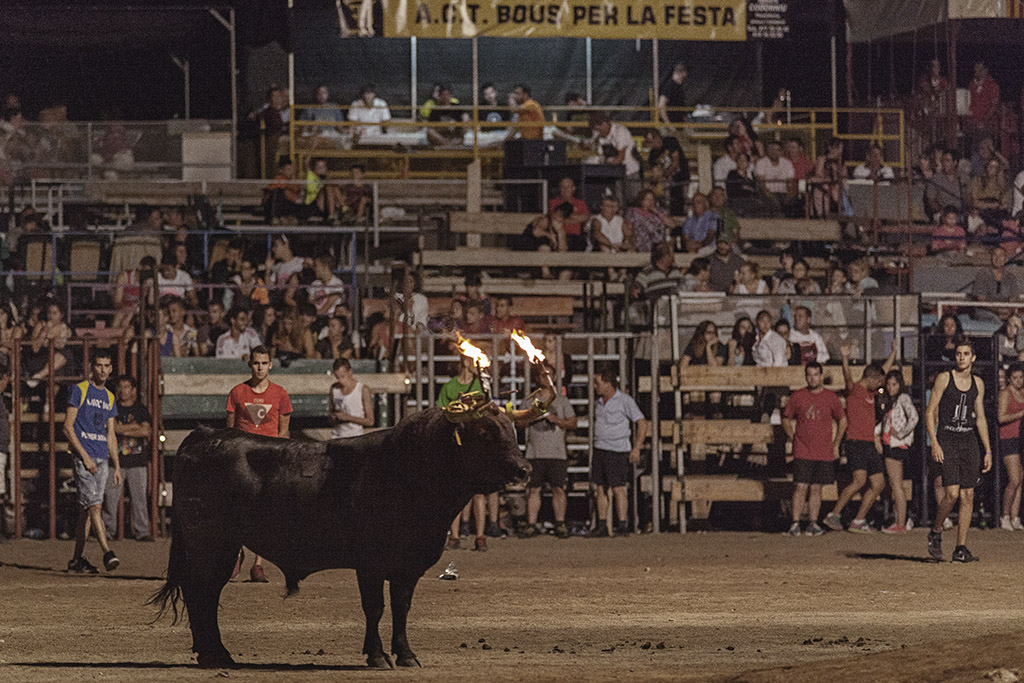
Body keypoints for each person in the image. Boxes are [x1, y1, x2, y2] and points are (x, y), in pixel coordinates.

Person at [226, 345, 293, 581]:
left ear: (271, 365)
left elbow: (284, 432)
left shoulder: (280, 394)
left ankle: (258, 563)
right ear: (250, 364)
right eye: (256, 363)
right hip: (243, 460)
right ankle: (237, 553)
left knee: (264, 511)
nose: (260, 367)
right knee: (238, 508)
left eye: (264, 363)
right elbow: (231, 430)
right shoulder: (237, 393)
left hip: (268, 459)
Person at [926, 338, 992, 562]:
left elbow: (980, 417)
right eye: (958, 354)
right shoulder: (945, 378)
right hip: (948, 439)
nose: (961, 357)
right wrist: (934, 442)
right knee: (952, 492)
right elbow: (930, 411)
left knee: (968, 494)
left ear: (973, 357)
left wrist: (988, 450)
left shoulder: (978, 383)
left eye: (966, 354)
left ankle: (960, 547)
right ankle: (936, 531)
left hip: (968, 440)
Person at [824, 341, 896, 533]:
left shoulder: (871, 390)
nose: (881, 386)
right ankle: (834, 514)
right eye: (880, 382)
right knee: (859, 481)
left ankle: (859, 520)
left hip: (869, 443)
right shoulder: (855, 390)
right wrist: (845, 359)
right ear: (871, 379)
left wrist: (893, 352)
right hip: (855, 442)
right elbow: (848, 380)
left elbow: (883, 370)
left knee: (879, 483)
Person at [64, 352, 121, 574]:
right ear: (92, 367)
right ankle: (107, 551)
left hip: (101, 457)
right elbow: (68, 427)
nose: (103, 370)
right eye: (99, 365)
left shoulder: (109, 397)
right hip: (85, 456)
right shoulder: (80, 390)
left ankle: (77, 560)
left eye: (107, 366)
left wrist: (116, 464)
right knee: (95, 505)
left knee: (87, 510)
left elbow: (111, 434)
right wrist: (84, 456)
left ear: (111, 368)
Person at [783, 362, 847, 536]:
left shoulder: (831, 397)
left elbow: (842, 420)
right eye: (809, 375)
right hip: (803, 449)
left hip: (823, 449)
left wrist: (836, 443)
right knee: (801, 486)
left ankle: (813, 522)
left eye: (816, 374)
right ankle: (795, 523)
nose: (813, 378)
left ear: (821, 375)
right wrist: (793, 437)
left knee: (816, 487)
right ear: (805, 376)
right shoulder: (798, 396)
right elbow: (786, 417)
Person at [518, 364, 576, 539]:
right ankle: (531, 523)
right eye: (543, 375)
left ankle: (560, 523)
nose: (547, 378)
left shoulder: (561, 401)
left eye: (550, 375)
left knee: (558, 488)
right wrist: (532, 417)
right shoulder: (530, 400)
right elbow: (519, 423)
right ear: (537, 378)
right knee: (533, 489)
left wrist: (556, 420)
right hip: (534, 452)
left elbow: (573, 422)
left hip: (556, 452)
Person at [590, 369, 650, 537]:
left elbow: (642, 422)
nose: (595, 387)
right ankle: (602, 524)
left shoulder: (624, 400)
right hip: (600, 447)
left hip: (617, 450)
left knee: (618, 488)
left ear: (608, 384)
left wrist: (636, 447)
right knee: (601, 488)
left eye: (598, 383)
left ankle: (622, 524)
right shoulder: (599, 402)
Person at [437, 354, 485, 551]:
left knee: (479, 493)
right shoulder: (450, 387)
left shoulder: (480, 386)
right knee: (455, 491)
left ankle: (480, 536)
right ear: (466, 362)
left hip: (475, 443)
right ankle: (454, 535)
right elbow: (442, 411)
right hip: (456, 442)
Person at [102, 374, 153, 542]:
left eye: (126, 387)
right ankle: (108, 531)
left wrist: (119, 429)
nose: (122, 391)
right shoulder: (112, 407)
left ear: (133, 390)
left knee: (139, 499)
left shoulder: (141, 409)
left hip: (137, 462)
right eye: (120, 387)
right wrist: (133, 427)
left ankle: (142, 531)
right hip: (115, 461)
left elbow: (146, 431)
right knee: (110, 499)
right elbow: (109, 429)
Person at [875, 368, 919, 533]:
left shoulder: (903, 398)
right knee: (895, 484)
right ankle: (899, 520)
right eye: (889, 384)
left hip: (896, 446)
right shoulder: (893, 401)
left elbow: (914, 417)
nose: (890, 387)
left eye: (894, 384)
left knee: (896, 485)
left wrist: (901, 434)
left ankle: (900, 522)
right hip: (891, 444)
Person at [997, 363, 1024, 531]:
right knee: (1013, 479)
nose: (1018, 381)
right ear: (1009, 378)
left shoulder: (1022, 392)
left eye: (1021, 377)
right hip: (1008, 438)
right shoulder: (1005, 394)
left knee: (1020, 480)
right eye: (1015, 378)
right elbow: (1001, 417)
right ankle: (1005, 515)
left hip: (1020, 438)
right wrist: (1020, 414)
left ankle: (1015, 517)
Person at [590, 112, 641, 201]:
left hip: (630, 172)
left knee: (635, 200)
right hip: (615, 175)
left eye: (598, 129)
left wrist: (605, 165)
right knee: (618, 201)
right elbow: (601, 156)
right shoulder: (601, 138)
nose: (598, 132)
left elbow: (621, 157)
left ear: (604, 124)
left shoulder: (620, 131)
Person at [646, 129, 690, 215]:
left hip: (681, 177)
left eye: (652, 141)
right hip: (667, 182)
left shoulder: (670, 142)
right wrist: (652, 184)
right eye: (649, 142)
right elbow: (655, 173)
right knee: (669, 204)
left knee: (682, 202)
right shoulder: (652, 155)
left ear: (658, 138)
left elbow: (675, 162)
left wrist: (664, 175)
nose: (651, 145)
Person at [329, 357, 373, 439]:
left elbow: (370, 421)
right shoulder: (334, 389)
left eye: (342, 376)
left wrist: (347, 417)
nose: (340, 380)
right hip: (337, 436)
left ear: (350, 372)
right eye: (337, 377)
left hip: (355, 437)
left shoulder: (362, 389)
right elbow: (331, 415)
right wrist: (334, 417)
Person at [547, 177, 590, 252]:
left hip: (576, 236)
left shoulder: (580, 203)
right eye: (562, 187)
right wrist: (575, 219)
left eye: (568, 187)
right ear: (559, 189)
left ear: (573, 188)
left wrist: (564, 218)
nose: (565, 189)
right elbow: (553, 218)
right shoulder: (553, 202)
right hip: (557, 234)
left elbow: (585, 217)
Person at [626, 189, 674, 254]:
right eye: (647, 199)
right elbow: (629, 227)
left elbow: (671, 225)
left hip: (658, 243)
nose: (650, 202)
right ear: (641, 201)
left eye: (652, 200)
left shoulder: (660, 212)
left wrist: (656, 211)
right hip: (640, 243)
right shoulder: (633, 212)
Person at [657, 62, 687, 126]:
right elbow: (661, 105)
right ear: (683, 73)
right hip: (670, 126)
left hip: (678, 124)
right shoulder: (669, 86)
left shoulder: (679, 88)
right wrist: (668, 124)